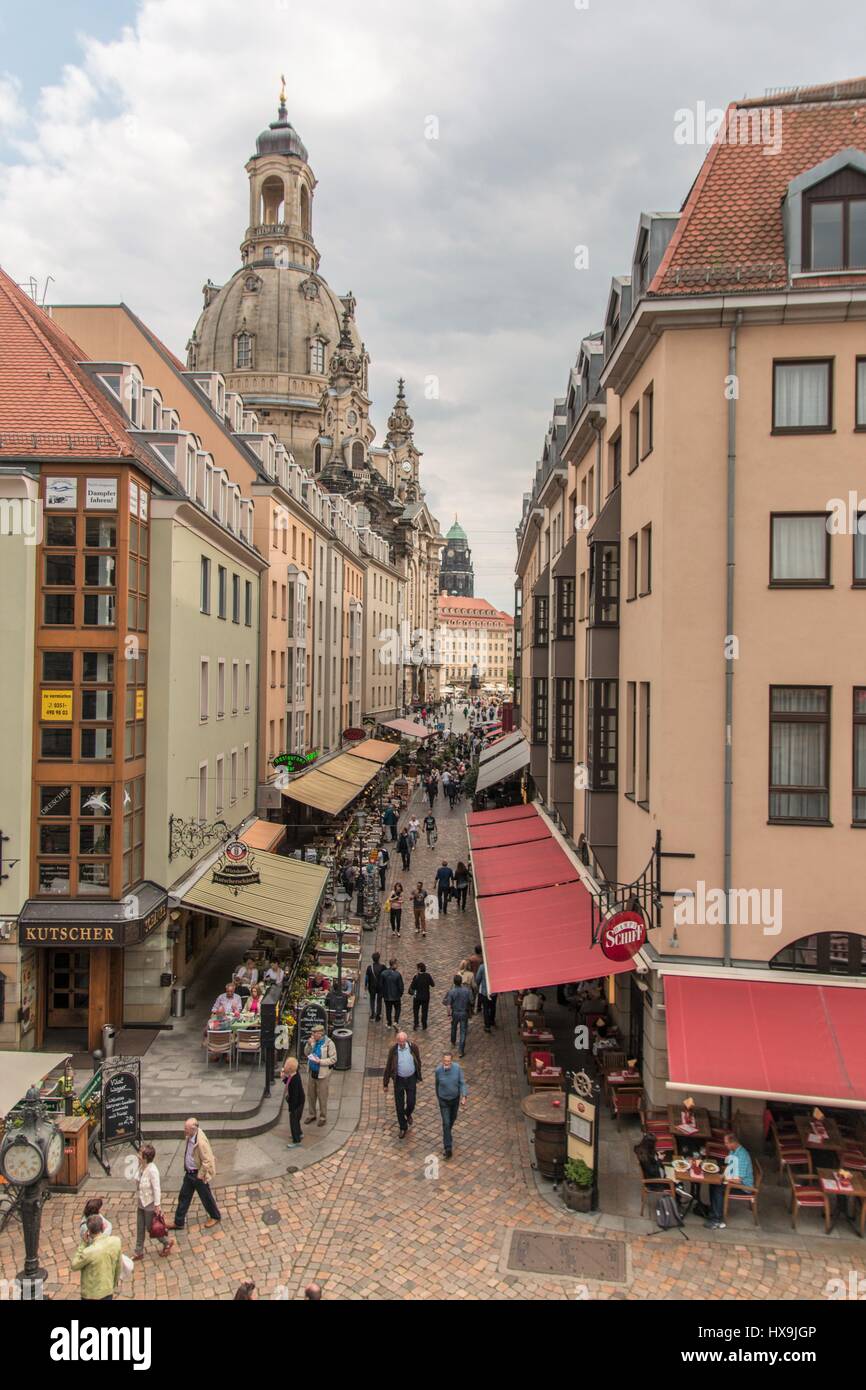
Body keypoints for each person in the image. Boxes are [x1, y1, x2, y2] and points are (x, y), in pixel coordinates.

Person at [170, 1118, 221, 1231]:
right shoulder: (190, 1136)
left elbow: (207, 1161)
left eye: (186, 1129)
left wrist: (200, 1174)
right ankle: (179, 1222)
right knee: (184, 1196)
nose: (184, 1131)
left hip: (197, 1174)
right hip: (189, 1173)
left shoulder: (201, 1142)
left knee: (206, 1197)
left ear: (193, 1129)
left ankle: (215, 1216)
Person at [132, 1144, 173, 1261]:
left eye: (140, 1154)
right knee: (140, 1227)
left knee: (152, 1228)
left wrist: (157, 1205)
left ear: (145, 1157)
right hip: (141, 1202)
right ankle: (138, 1251)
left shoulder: (152, 1170)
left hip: (149, 1204)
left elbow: (156, 1188)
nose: (138, 1155)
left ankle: (167, 1242)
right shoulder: (141, 1167)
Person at [706, 1133, 755, 1231]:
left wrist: (723, 1179)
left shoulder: (742, 1156)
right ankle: (713, 1211)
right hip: (735, 1180)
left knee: (718, 1189)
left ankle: (717, 1220)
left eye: (726, 1143)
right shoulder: (733, 1151)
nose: (725, 1145)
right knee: (713, 1184)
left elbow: (738, 1179)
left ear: (733, 1143)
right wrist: (722, 1176)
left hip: (743, 1187)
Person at [71, 1214, 123, 1301]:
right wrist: (113, 1284)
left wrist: (83, 1244)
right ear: (102, 1227)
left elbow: (74, 1265)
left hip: (91, 1294)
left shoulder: (88, 1251)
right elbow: (119, 1265)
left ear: (89, 1231)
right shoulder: (116, 1241)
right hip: (107, 1289)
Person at [383, 1030, 423, 1138]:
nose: (401, 1044)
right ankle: (403, 1127)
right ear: (397, 1041)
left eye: (402, 1042)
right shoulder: (393, 1050)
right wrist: (385, 1083)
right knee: (399, 1105)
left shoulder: (413, 1047)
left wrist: (418, 1075)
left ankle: (408, 1113)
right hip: (399, 1080)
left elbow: (418, 1061)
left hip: (411, 1079)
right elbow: (388, 1066)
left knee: (411, 1102)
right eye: (399, 1042)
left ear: (406, 1040)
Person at [434, 1052, 468, 1160]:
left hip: (454, 1100)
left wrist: (464, 1096)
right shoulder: (438, 1071)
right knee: (446, 1123)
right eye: (445, 1061)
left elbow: (462, 1083)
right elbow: (437, 1084)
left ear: (451, 1061)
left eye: (448, 1061)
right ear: (442, 1060)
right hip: (443, 1101)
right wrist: (439, 1097)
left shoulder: (457, 1069)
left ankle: (447, 1133)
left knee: (452, 1119)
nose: (447, 1063)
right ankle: (448, 1148)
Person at [304, 1024, 337, 1126]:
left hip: (322, 1074)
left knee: (322, 1096)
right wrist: (309, 1045)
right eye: (312, 1033)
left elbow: (333, 1059)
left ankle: (323, 1116)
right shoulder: (312, 1041)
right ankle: (312, 1114)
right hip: (312, 1072)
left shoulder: (329, 1044)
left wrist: (320, 1061)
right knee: (311, 1095)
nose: (312, 1035)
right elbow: (306, 1053)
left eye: (314, 1033)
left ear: (321, 1033)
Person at [443, 973, 473, 1056]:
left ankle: (453, 1041)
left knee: (453, 1027)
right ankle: (461, 1050)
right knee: (463, 1031)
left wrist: (449, 1014)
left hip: (455, 1013)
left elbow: (448, 1004)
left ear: (454, 982)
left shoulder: (451, 992)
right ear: (461, 982)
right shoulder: (467, 990)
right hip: (464, 1013)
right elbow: (471, 1001)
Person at [281, 1055, 306, 1146]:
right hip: (299, 1101)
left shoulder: (294, 1080)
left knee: (293, 1120)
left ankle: (296, 1140)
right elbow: (288, 1081)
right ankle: (299, 1133)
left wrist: (291, 1109)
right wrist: (284, 1078)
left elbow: (294, 1096)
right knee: (297, 1120)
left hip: (297, 1103)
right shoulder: (294, 1074)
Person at [409, 961, 436, 1030]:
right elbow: (433, 984)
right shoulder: (428, 975)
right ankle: (424, 1024)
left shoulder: (416, 977)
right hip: (425, 997)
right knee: (424, 1011)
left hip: (417, 997)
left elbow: (412, 986)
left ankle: (416, 1024)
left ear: (419, 969)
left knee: (416, 1011)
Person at [380, 957, 404, 1028]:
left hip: (387, 996)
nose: (397, 965)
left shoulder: (383, 973)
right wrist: (400, 993)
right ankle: (396, 1021)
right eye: (396, 964)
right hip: (396, 996)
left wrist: (383, 994)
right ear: (393, 964)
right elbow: (400, 986)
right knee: (398, 1009)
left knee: (388, 1010)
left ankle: (389, 1023)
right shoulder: (397, 974)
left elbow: (381, 985)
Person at [476, 959, 497, 1031]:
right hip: (494, 991)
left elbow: (478, 979)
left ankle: (487, 1025)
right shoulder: (495, 967)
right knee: (493, 1006)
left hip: (485, 992)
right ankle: (492, 1020)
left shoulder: (482, 967)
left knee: (486, 1008)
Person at [365, 951, 384, 1020]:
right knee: (379, 1000)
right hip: (380, 986)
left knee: (372, 999)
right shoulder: (382, 967)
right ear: (379, 958)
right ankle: (378, 1015)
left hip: (372, 986)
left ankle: (372, 1013)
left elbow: (366, 977)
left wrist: (365, 985)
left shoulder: (369, 968)